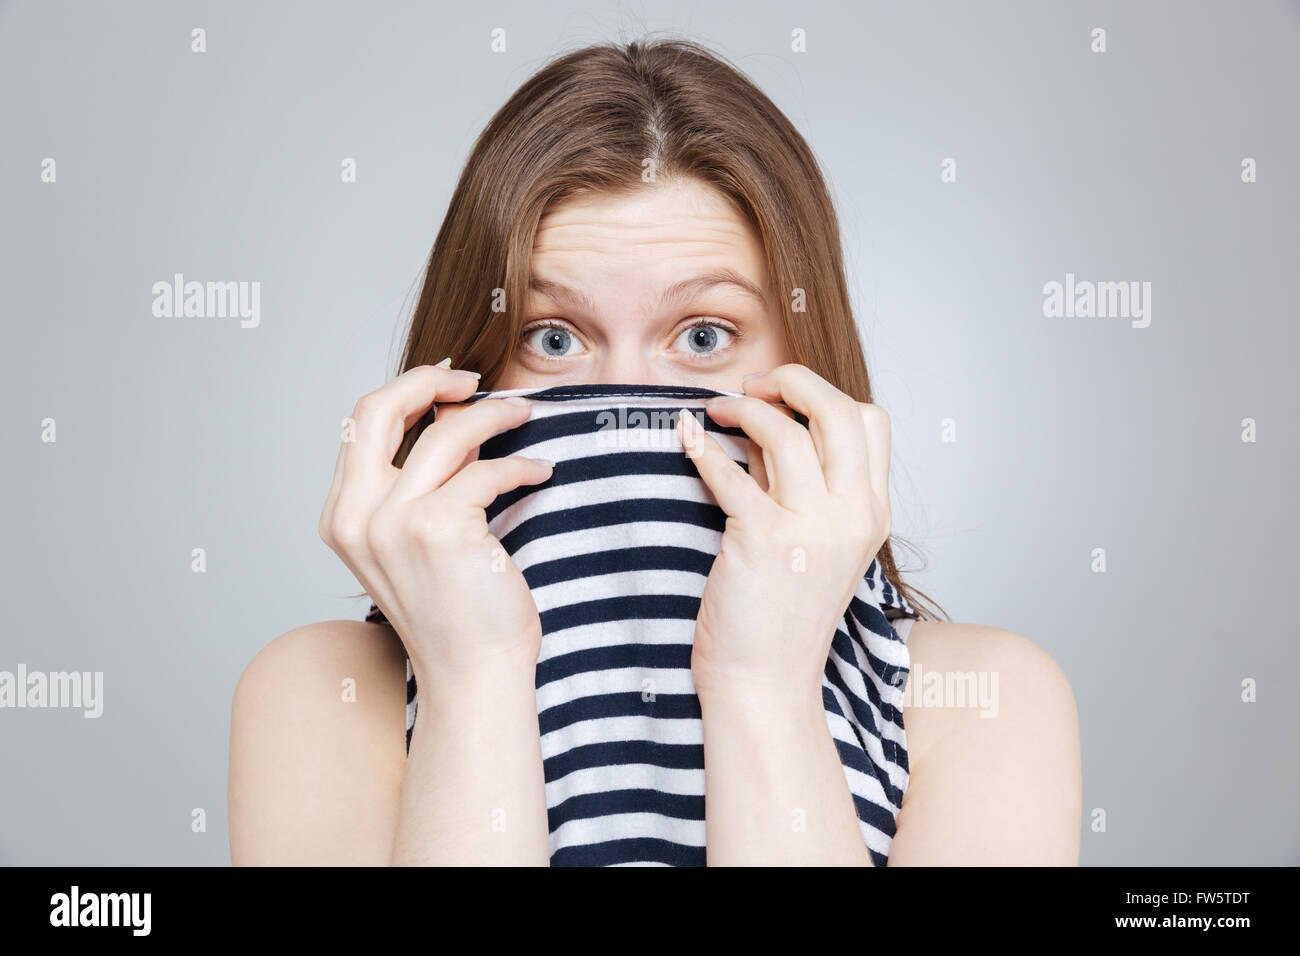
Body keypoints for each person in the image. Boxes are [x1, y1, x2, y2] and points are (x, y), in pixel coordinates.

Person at [228, 37, 1081, 865]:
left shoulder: (985, 702)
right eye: (553, 339)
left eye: (704, 335)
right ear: (462, 377)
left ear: (808, 369)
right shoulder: (321, 696)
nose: (626, 404)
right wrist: (472, 682)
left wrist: (764, 687)